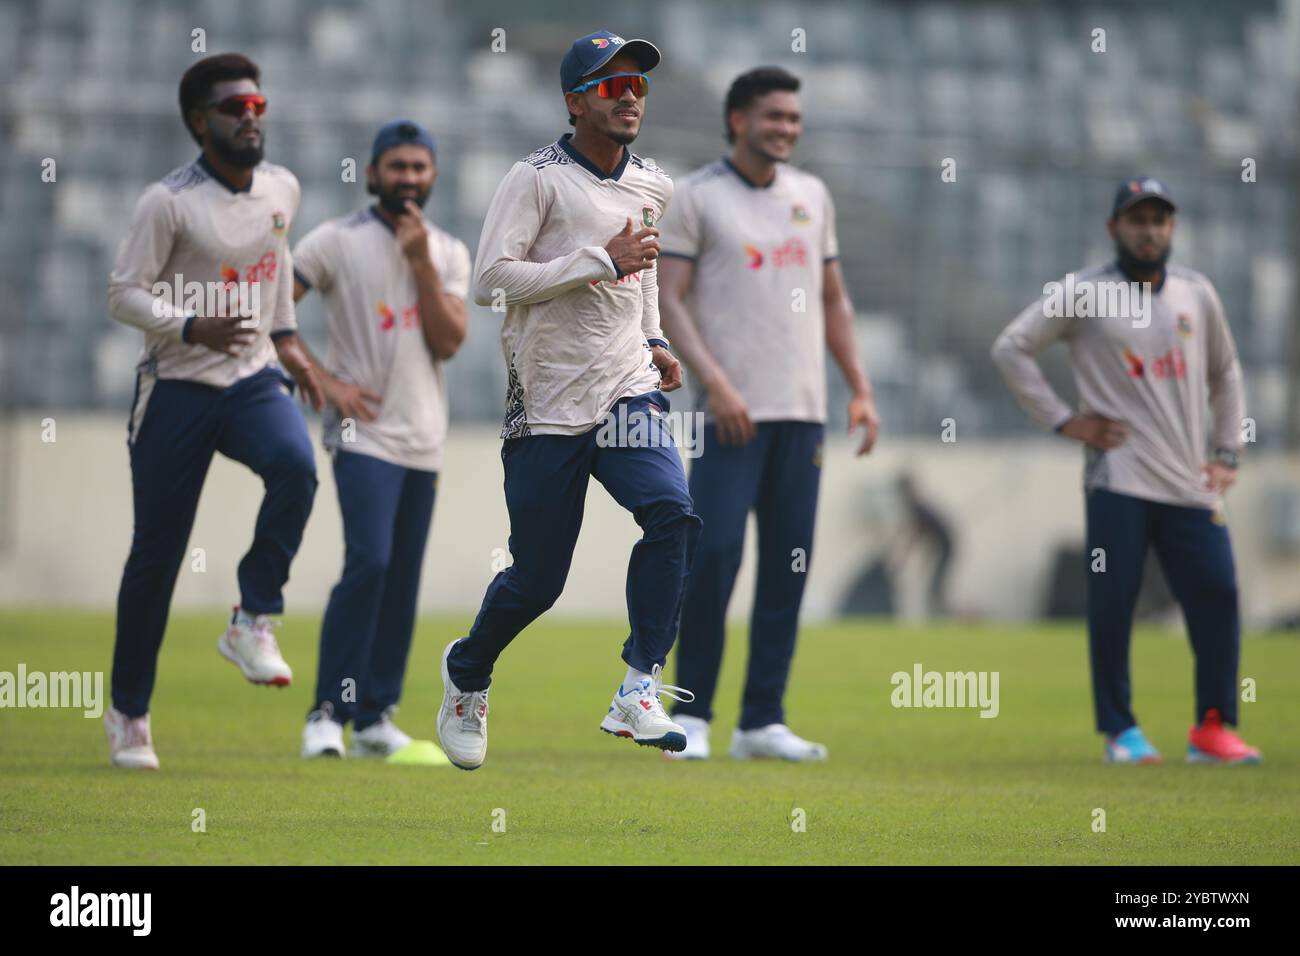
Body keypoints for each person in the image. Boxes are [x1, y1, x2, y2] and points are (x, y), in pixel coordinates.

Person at [436, 30, 701, 770]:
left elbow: (642, 274)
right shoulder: (536, 179)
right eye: (612, 85)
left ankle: (638, 687)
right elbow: (491, 278)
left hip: (628, 391)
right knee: (538, 581)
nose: (630, 96)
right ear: (575, 100)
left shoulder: (655, 184)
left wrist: (656, 341)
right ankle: (467, 673)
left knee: (673, 513)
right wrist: (596, 261)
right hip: (547, 403)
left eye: (638, 85)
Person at [991, 176, 1262, 765]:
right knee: (1115, 600)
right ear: (1114, 228)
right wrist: (1064, 421)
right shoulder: (1085, 292)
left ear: (1173, 228)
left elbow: (1228, 374)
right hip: (1118, 477)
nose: (1150, 230)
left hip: (1190, 481)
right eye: (1138, 220)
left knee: (1218, 594)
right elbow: (1011, 347)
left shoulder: (1197, 292)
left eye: (1161, 220)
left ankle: (1212, 729)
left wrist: (1229, 451)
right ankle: (1121, 730)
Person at [104, 53, 324, 769]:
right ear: (202, 122)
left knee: (296, 467)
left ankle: (253, 617)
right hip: (177, 384)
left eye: (258, 106)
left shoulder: (282, 186)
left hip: (251, 377)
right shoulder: (166, 202)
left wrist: (288, 342)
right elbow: (123, 293)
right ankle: (130, 715)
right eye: (235, 108)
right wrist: (190, 326)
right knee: (157, 556)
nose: (251, 118)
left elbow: (278, 266)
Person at [656, 66, 880, 761]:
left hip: (801, 416)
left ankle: (762, 721)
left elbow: (835, 299)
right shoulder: (695, 197)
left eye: (793, 117)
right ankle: (692, 718)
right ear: (738, 121)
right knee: (715, 558)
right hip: (730, 415)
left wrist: (860, 387)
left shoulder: (812, 195)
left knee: (789, 568)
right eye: (773, 116)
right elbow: (669, 299)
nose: (786, 127)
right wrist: (715, 383)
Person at [292, 120, 469, 758]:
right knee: (367, 561)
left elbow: (448, 341)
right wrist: (323, 381)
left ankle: (373, 717)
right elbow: (272, 309)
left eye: (420, 168)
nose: (410, 179)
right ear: (372, 174)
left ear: (434, 176)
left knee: (400, 576)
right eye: (397, 167)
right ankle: (325, 714)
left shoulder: (446, 250)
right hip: (359, 431)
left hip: (423, 438)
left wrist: (420, 261)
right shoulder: (336, 241)